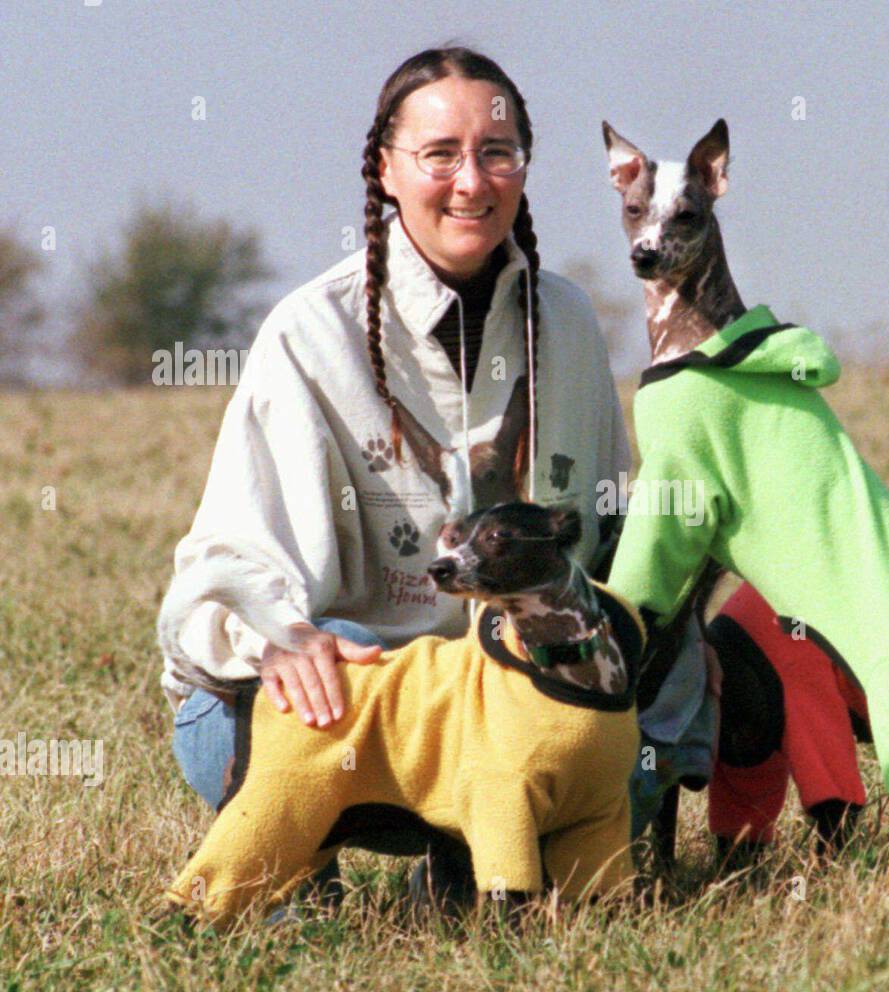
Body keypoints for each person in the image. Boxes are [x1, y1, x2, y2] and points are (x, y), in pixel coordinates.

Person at [160, 47, 632, 904]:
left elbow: (610, 528)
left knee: (615, 783)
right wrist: (276, 637)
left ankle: (462, 864)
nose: (471, 181)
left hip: (509, 714)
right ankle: (294, 852)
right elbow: (212, 580)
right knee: (301, 739)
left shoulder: (566, 320)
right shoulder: (311, 333)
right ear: (384, 170)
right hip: (336, 702)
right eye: (439, 153)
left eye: (497, 152)